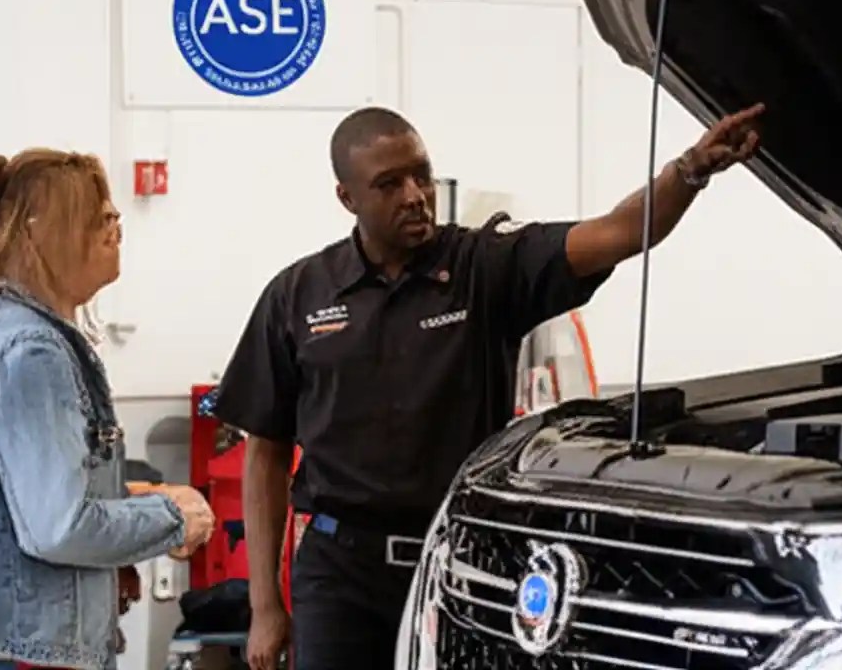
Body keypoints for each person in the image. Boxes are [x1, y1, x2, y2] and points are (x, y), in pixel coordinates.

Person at [213, 104, 764, 670]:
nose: (414, 195)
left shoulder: (486, 267)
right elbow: (265, 455)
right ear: (347, 198)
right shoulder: (298, 296)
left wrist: (691, 169)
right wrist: (265, 606)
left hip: (459, 559)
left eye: (421, 174)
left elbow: (618, 233)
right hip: (339, 574)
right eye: (389, 184)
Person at [0, 149, 216, 670]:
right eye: (98, 215)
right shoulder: (32, 354)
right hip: (13, 653)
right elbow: (57, 527)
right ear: (37, 232)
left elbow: (10, 500)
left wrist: (134, 501)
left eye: (114, 215)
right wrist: (173, 518)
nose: (115, 228)